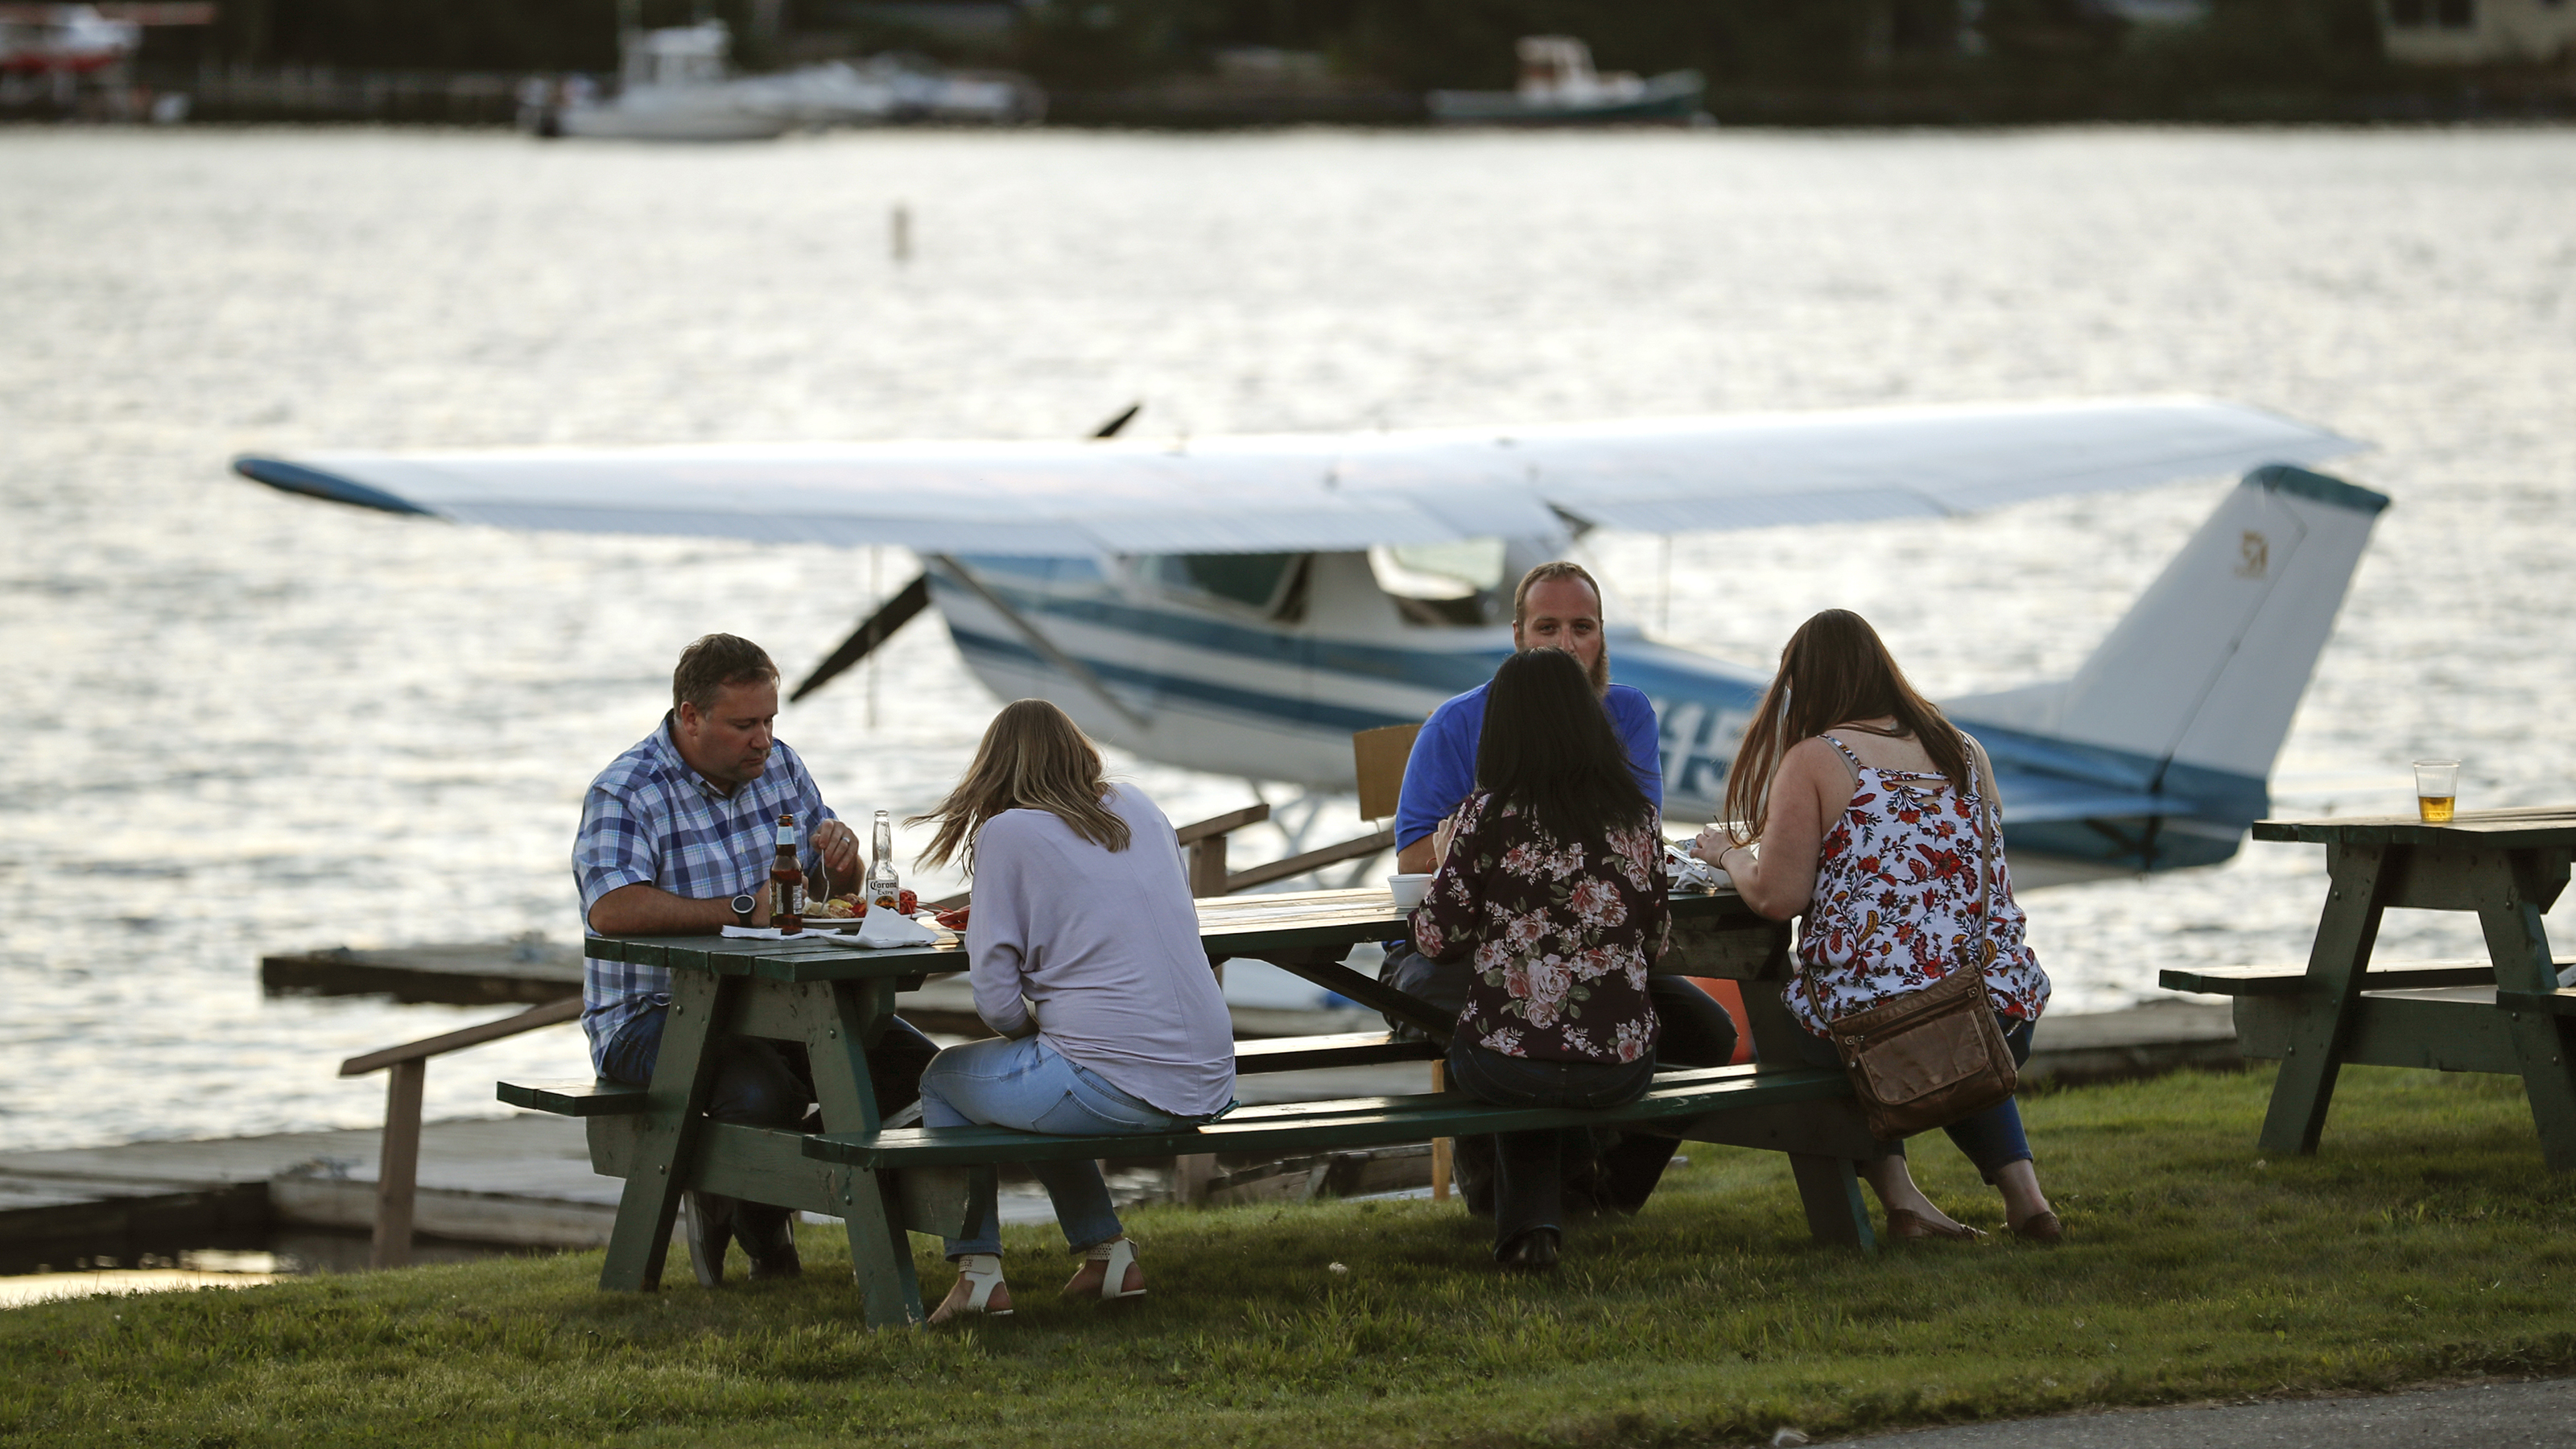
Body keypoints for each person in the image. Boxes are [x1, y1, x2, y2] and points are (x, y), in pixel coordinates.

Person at [576, 633, 940, 1284]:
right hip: (649, 1015)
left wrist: (844, 863)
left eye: (770, 720)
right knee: (760, 1089)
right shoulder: (627, 790)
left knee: (917, 1070)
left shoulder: (781, 768)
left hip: (777, 1002)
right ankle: (766, 1238)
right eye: (744, 724)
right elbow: (612, 909)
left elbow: (828, 896)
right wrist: (744, 908)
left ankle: (757, 1187)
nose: (763, 740)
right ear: (690, 716)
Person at [1690, 609, 2061, 1243]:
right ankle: (2027, 1199)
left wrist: (1728, 853)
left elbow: (1778, 898)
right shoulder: (1963, 748)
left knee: (1818, 1018)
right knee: (1944, 1016)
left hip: (1883, 1032)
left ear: (1803, 686)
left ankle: (1900, 1198)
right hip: (2002, 1009)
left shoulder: (1817, 759)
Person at [1386, 560, 1739, 1215]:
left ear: (1603, 637)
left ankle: (1604, 1191)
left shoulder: (1627, 712)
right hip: (1469, 946)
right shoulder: (1456, 725)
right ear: (1518, 635)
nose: (1566, 644)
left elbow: (1635, 847)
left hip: (1585, 945)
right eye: (1548, 627)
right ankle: (1515, 1194)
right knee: (1478, 1009)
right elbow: (1415, 866)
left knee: (1705, 1033)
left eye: (1582, 627)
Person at [906, 700, 1236, 1323]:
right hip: (1212, 1077)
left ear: (995, 772)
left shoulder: (1006, 833)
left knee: (945, 1081)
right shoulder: (1138, 806)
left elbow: (997, 1004)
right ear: (1078, 752)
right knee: (1045, 1077)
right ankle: (1107, 1257)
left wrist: (1034, 1027)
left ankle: (978, 1274)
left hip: (1116, 1083)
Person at [1408, 648, 1673, 1269]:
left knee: (1511, 1043)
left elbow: (1435, 942)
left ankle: (1532, 1229)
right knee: (1539, 1044)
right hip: (1621, 1063)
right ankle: (1592, 1198)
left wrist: (1448, 861)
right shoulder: (1637, 816)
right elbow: (1659, 943)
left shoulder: (1488, 813)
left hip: (1508, 1064)